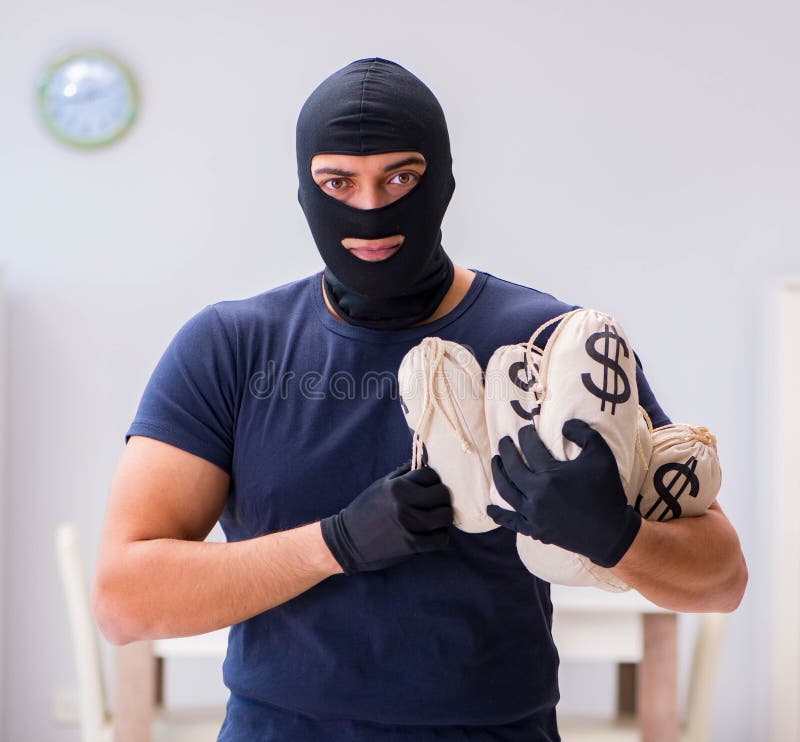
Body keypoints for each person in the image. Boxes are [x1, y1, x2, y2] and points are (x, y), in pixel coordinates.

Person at [92, 58, 748, 741]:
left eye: (400, 178)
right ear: (305, 192)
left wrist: (614, 533)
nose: (370, 209)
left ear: (443, 184)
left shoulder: (553, 342)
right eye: (339, 182)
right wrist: (334, 543)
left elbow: (722, 579)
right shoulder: (231, 347)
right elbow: (122, 600)